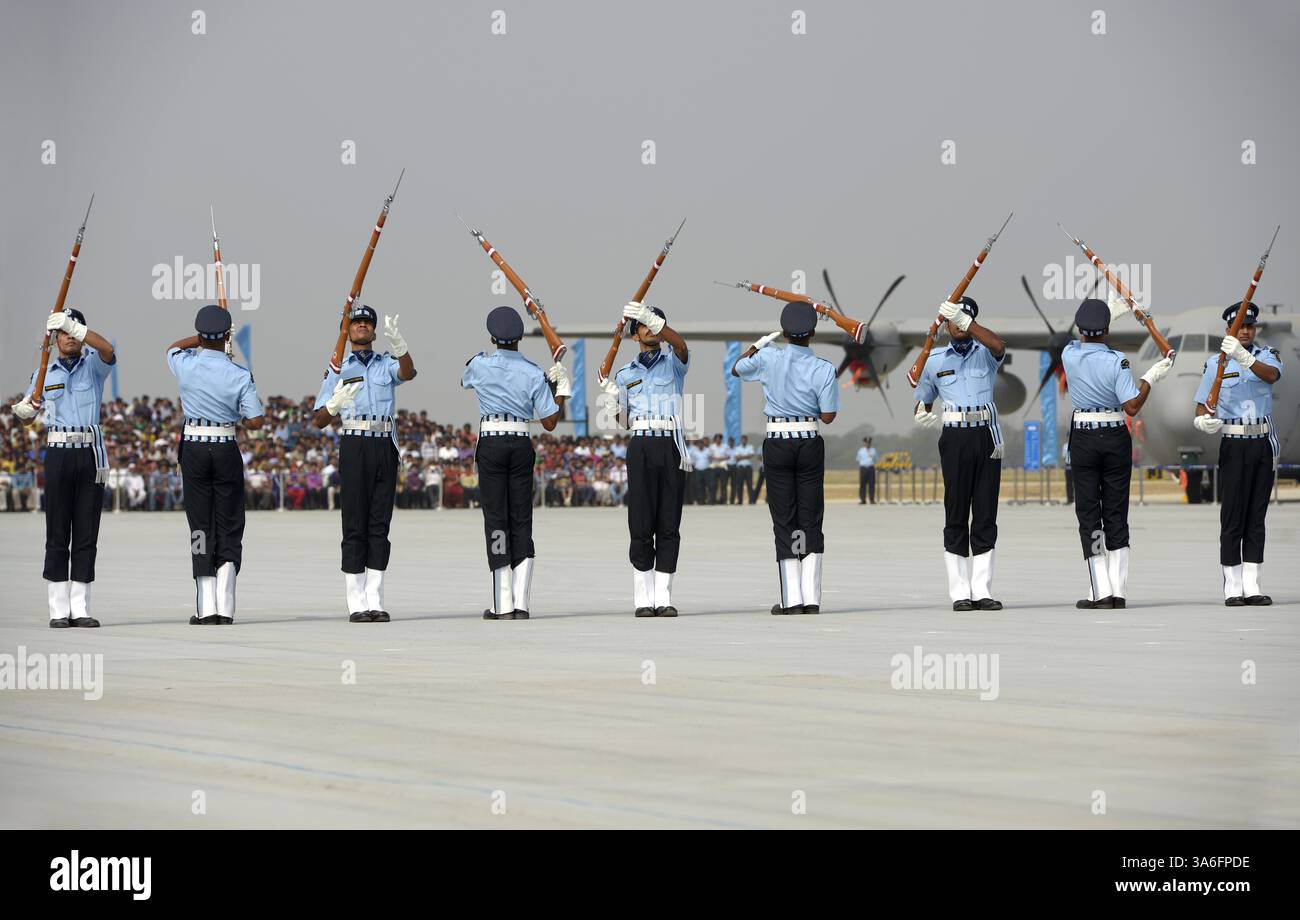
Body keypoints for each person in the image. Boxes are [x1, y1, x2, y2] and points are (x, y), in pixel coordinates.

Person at [1062, 297, 1172, 609]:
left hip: (1083, 437)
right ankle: (1119, 591)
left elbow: (1074, 338)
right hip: (1114, 437)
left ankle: (1101, 591)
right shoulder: (1118, 361)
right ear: (1108, 329)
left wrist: (1109, 310)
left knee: (1089, 515)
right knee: (1115, 513)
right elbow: (1132, 407)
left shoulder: (1069, 355)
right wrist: (1150, 378)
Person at [11, 308, 116, 627]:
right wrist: (25, 410)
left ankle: (80, 607)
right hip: (57, 452)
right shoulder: (44, 372)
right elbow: (28, 414)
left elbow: (108, 349)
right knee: (57, 531)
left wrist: (75, 326)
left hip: (89, 454)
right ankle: (58, 608)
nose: (70, 337)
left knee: (86, 532)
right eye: (65, 332)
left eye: (75, 331)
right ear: (55, 340)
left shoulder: (93, 366)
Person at [732, 301, 838, 614]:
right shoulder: (824, 368)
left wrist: (758, 344)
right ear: (813, 333)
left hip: (778, 442)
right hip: (808, 441)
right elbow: (829, 416)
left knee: (785, 520)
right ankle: (811, 598)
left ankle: (791, 599)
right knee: (810, 519)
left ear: (785, 332)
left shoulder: (768, 357)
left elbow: (737, 368)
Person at [313, 305, 415, 623]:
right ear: (349, 330)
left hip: (384, 443)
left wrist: (401, 346)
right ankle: (355, 599)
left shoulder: (386, 364)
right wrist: (333, 403)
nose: (361, 327)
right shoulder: (337, 368)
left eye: (366, 323)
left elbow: (408, 373)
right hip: (355, 442)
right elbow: (318, 419)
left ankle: (376, 597)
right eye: (356, 323)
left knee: (380, 523)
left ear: (373, 331)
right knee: (355, 521)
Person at [463, 305, 566, 620]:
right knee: (521, 520)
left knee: (497, 521)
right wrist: (560, 389)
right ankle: (522, 604)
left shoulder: (479, 365)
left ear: (493, 337)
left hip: (492, 442)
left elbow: (465, 380)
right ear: (520, 338)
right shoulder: (534, 372)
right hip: (521, 443)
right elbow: (550, 421)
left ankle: (501, 603)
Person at [167, 304, 264, 624]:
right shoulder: (239, 373)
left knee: (200, 525)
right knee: (230, 522)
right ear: (226, 336)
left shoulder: (184, 364)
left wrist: (202, 342)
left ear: (199, 335)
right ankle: (226, 605)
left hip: (194, 447)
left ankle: (205, 606)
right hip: (224, 446)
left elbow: (172, 347)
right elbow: (256, 421)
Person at [912, 297, 1007, 610]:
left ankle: (982, 589)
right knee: (955, 511)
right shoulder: (935, 360)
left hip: (986, 435)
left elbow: (998, 345)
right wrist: (920, 413)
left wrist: (968, 322)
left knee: (985, 513)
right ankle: (960, 591)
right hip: (954, 437)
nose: (957, 324)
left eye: (963, 318)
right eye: (952, 319)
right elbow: (923, 399)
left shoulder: (986, 354)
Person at [598, 302, 691, 617]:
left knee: (668, 522)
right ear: (634, 334)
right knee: (640, 522)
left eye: (655, 324)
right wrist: (611, 401)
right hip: (640, 445)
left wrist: (655, 320)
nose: (650, 329)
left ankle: (663, 597)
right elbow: (624, 421)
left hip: (670, 445)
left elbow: (681, 345)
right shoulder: (626, 374)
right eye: (644, 325)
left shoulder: (673, 362)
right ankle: (643, 598)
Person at [1193, 302, 1283, 606]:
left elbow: (1271, 376)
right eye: (1239, 327)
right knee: (1232, 515)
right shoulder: (1215, 364)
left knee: (1256, 516)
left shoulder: (1266, 355)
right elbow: (1202, 405)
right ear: (1228, 330)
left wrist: (1243, 357)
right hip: (1233, 443)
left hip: (1262, 443)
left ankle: (1252, 584)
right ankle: (1232, 585)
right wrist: (1202, 420)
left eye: (1249, 326)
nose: (1245, 331)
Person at [733, 434, 756, 504]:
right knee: (740, 485)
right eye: (742, 439)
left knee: (749, 484)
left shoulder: (750, 446)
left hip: (748, 468)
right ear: (741, 440)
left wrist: (741, 457)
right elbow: (737, 457)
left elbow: (751, 455)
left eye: (745, 440)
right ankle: (740, 500)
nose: (744, 441)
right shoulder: (737, 448)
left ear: (747, 440)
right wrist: (746, 456)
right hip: (740, 468)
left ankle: (751, 500)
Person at [856, 436, 878, 505]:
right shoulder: (861, 450)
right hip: (863, 468)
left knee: (872, 484)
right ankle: (863, 499)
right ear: (864, 443)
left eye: (869, 443)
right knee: (863, 484)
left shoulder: (873, 450)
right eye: (866, 443)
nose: (868, 444)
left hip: (871, 468)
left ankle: (872, 499)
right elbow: (858, 459)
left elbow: (876, 458)